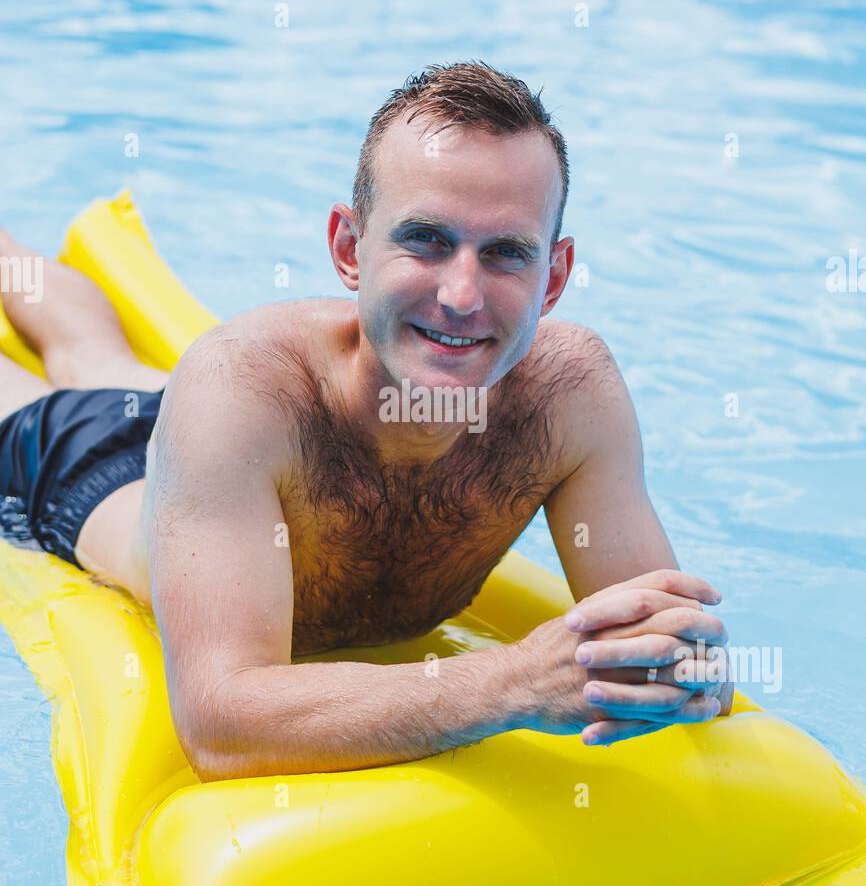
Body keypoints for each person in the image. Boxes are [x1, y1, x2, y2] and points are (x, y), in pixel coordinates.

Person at [0, 61, 730, 780]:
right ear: (350, 250)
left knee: (96, 353)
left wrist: (686, 665)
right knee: (55, 385)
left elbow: (664, 640)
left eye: (507, 253)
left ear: (557, 276)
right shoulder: (235, 388)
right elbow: (220, 725)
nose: (463, 295)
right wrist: (515, 684)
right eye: (427, 240)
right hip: (102, 472)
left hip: (229, 456)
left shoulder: (573, 394)